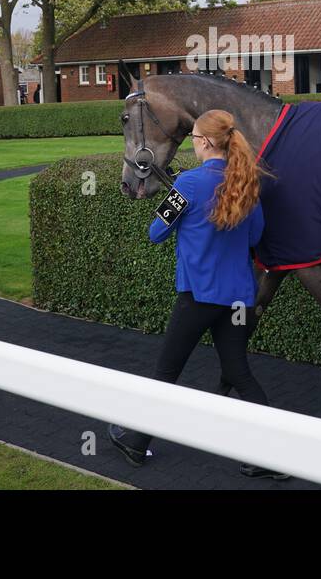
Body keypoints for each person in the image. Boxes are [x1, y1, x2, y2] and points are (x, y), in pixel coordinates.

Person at [107, 109, 286, 480]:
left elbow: (155, 232)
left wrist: (176, 200)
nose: (192, 143)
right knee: (239, 371)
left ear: (204, 142)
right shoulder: (248, 184)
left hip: (199, 296)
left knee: (166, 371)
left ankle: (137, 443)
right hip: (238, 298)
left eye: (194, 139)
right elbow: (254, 239)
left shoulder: (188, 184)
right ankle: (274, 455)